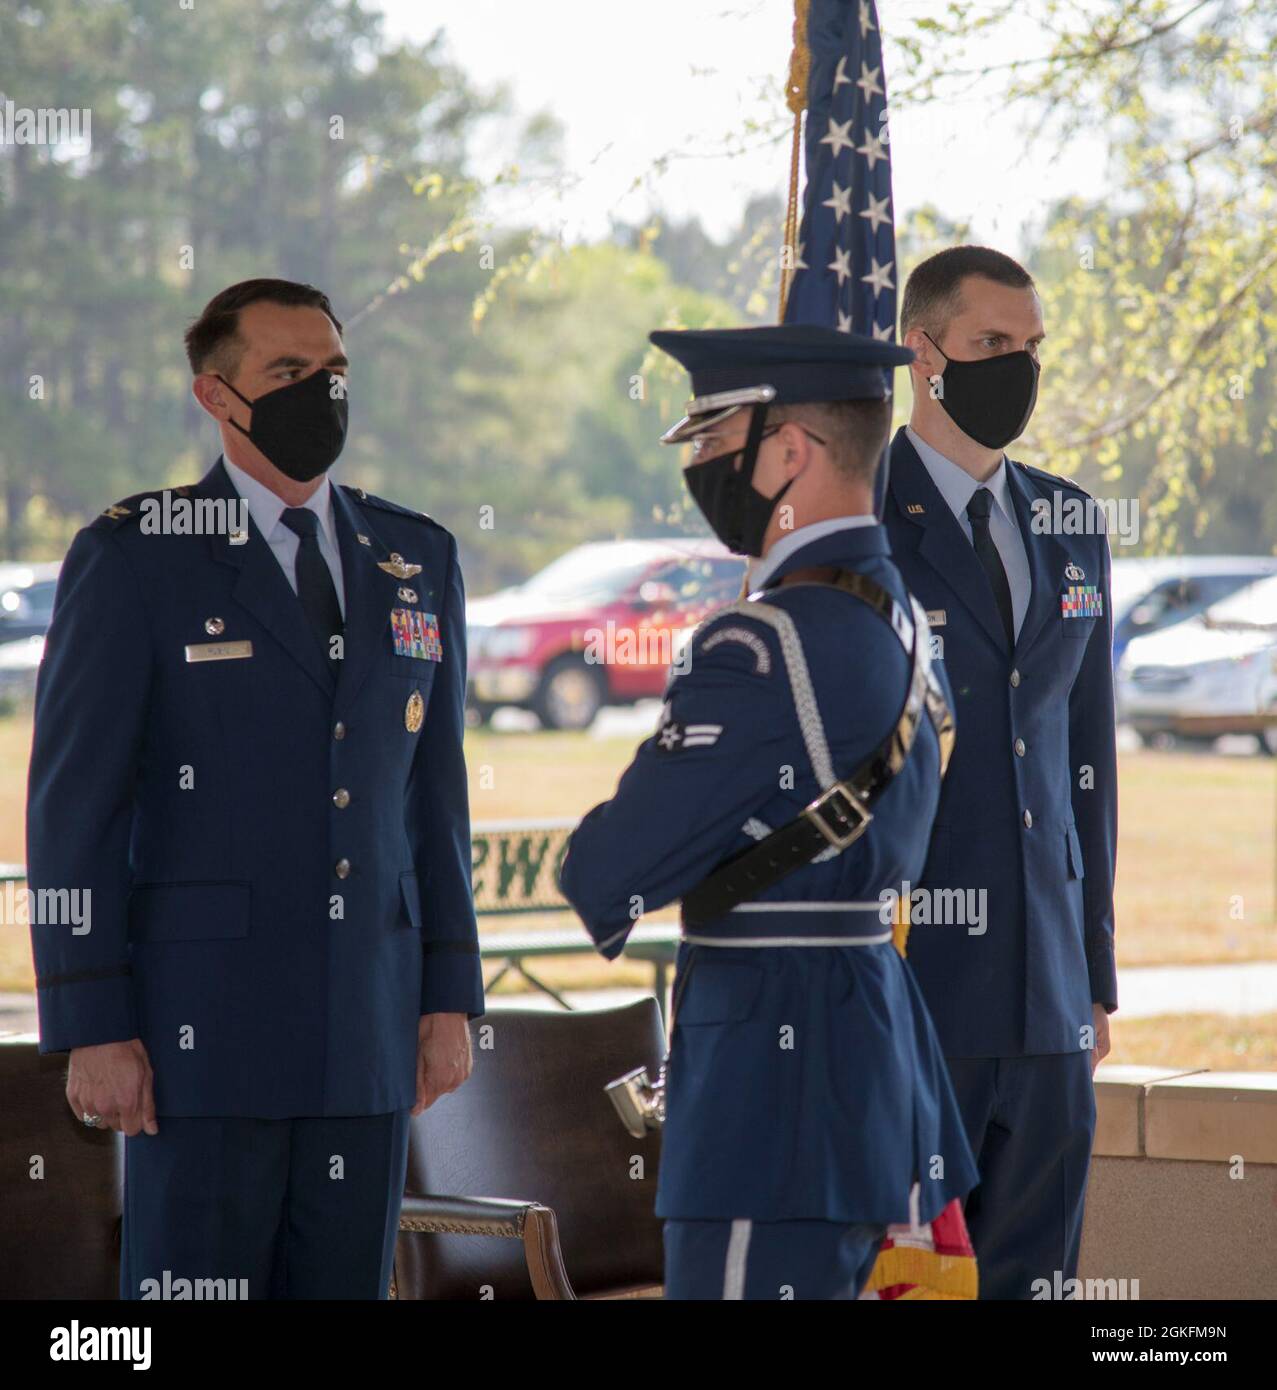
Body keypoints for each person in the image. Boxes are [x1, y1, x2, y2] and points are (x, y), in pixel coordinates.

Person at [27, 277, 483, 1300]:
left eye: (333, 371)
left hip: (367, 1027)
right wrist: (92, 1020)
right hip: (201, 1035)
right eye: (287, 373)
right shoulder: (137, 556)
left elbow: (433, 800)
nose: (321, 393)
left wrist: (448, 994)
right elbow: (74, 810)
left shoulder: (415, 555)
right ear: (215, 396)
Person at [559, 324, 978, 1301]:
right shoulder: (902, 615)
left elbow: (609, 867)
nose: (702, 468)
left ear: (788, 451)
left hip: (772, 1082)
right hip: (875, 1050)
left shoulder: (763, 638)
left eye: (714, 442)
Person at [882, 245, 1118, 1299]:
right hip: (909, 990)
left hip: (1049, 997)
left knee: (1038, 1285)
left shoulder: (1071, 527)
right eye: (988, 345)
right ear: (919, 351)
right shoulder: (850, 519)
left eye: (1029, 348)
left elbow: (1085, 768)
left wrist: (1094, 976)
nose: (1015, 368)